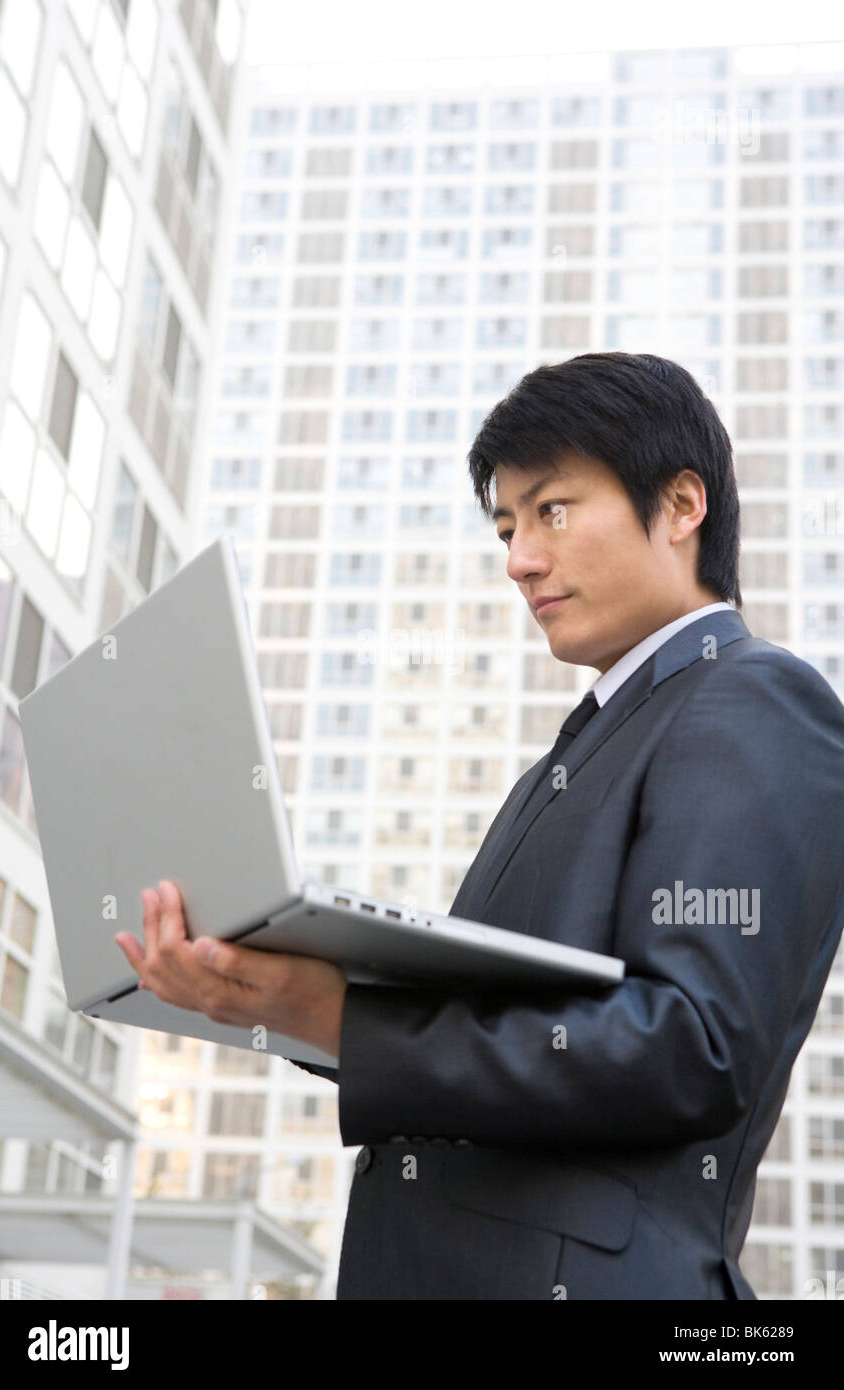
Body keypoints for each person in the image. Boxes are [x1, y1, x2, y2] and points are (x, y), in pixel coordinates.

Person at [116, 352, 844, 1300]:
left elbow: (690, 1047)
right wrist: (283, 998)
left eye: (551, 510)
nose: (519, 560)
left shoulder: (755, 701)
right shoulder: (569, 760)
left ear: (680, 506)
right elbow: (498, 1045)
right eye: (505, 527)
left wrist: (339, 1017)